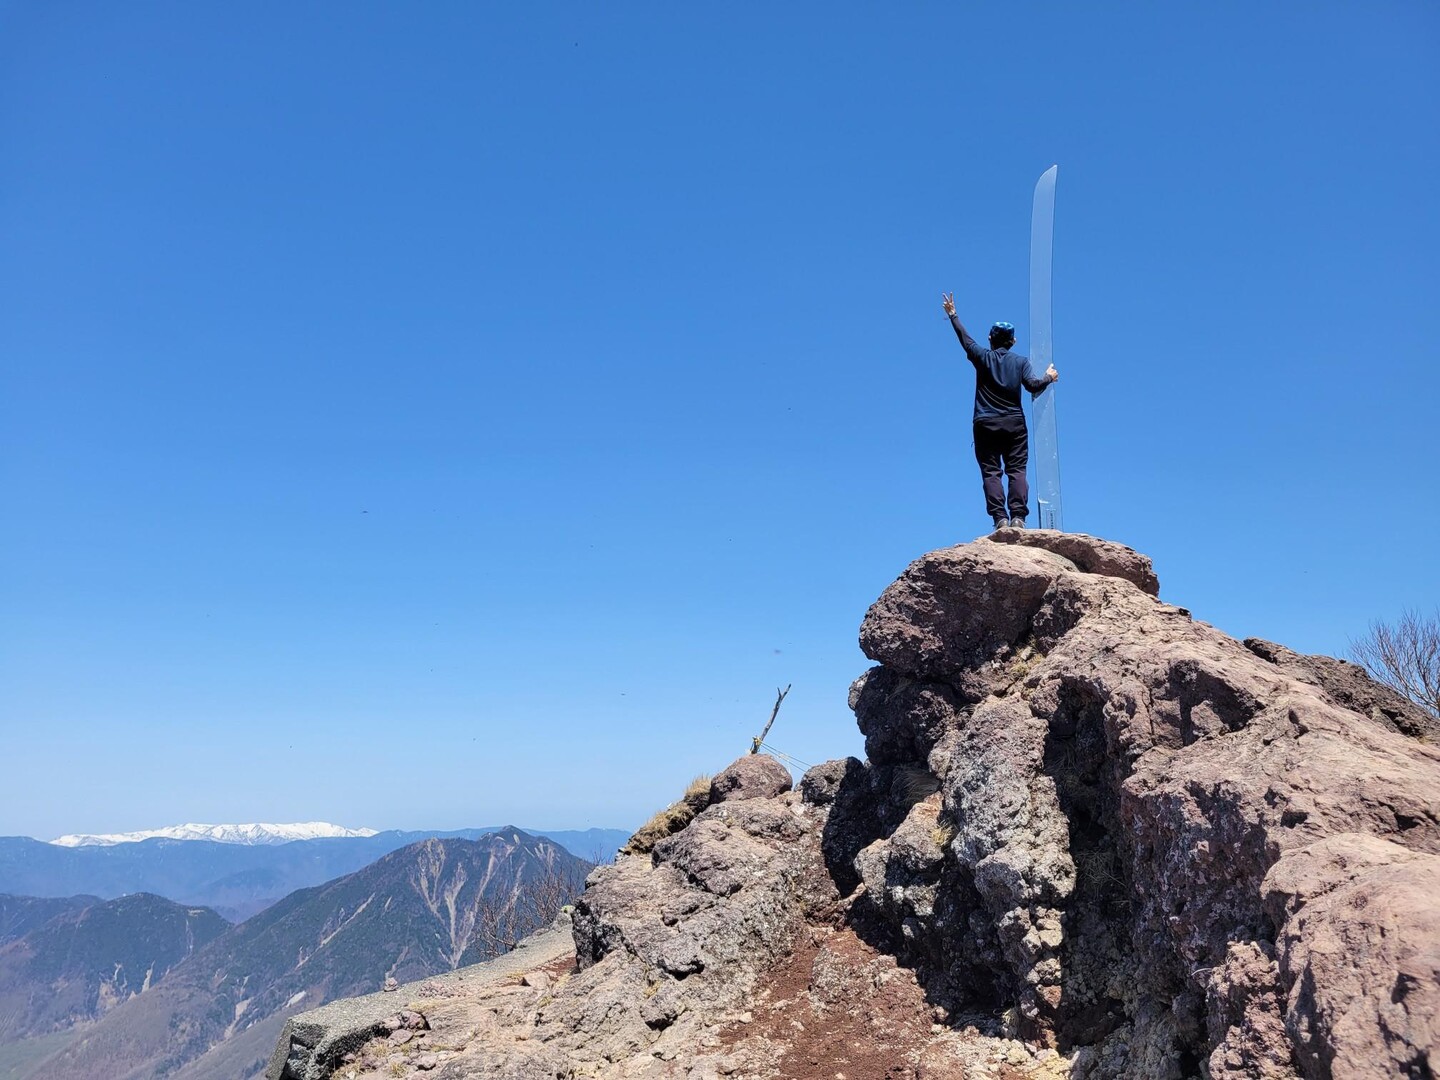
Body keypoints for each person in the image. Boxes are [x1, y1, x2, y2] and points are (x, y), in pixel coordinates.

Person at [942, 292, 1058, 531]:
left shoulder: (982, 357)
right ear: (1013, 342)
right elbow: (1033, 386)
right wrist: (1049, 377)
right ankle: (1018, 518)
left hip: (985, 423)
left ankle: (1000, 520)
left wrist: (953, 315)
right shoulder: (1021, 362)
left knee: (991, 472)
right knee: (1016, 470)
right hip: (1014, 423)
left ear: (990, 339)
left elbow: (965, 340)